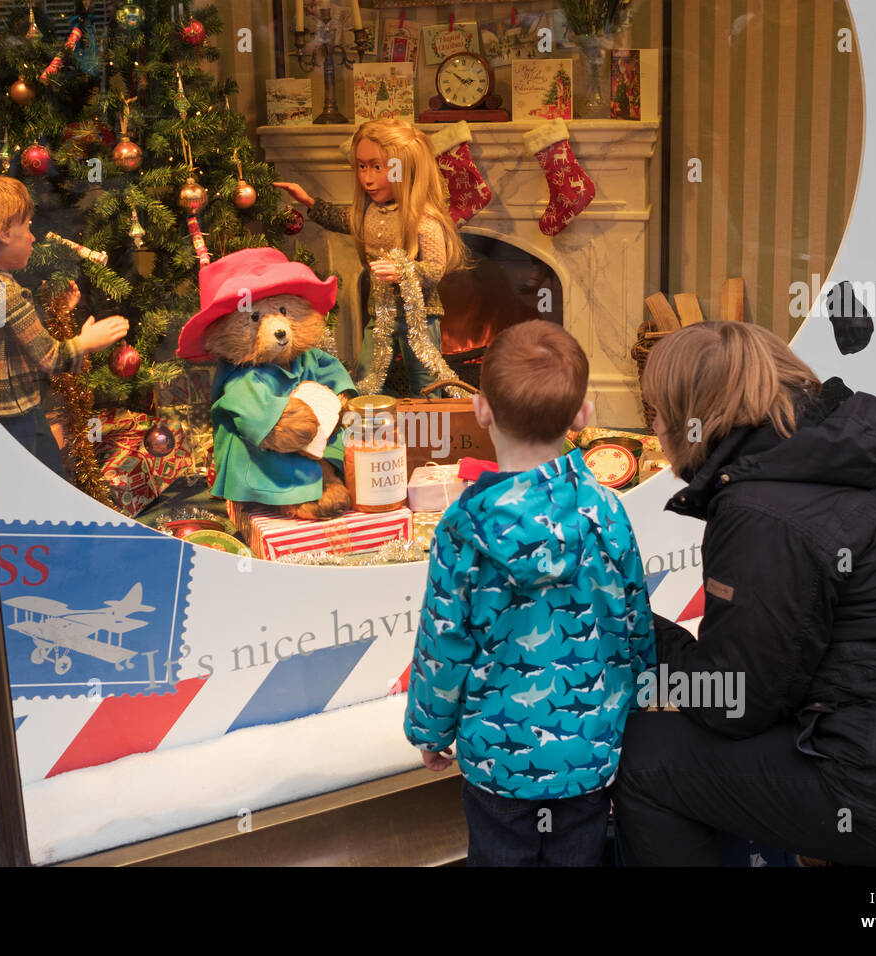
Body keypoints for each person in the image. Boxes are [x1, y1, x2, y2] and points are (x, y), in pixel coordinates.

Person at [612, 320, 876, 866]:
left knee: (647, 755)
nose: (652, 424)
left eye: (655, 410)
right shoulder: (872, 469)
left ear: (693, 416)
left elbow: (733, 703)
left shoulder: (761, 509)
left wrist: (633, 623)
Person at [403, 320, 656, 866]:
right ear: (583, 415)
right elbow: (635, 620)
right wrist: (643, 699)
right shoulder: (608, 511)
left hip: (499, 766)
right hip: (589, 753)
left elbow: (444, 641)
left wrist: (429, 728)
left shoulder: (462, 526)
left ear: (482, 409)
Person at [274, 118, 468, 397]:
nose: (367, 177)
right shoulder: (369, 212)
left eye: (378, 167)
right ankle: (366, 427)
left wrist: (403, 271)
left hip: (420, 316)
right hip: (381, 313)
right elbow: (344, 220)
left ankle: (427, 435)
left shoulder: (424, 220)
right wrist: (310, 203)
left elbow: (435, 269)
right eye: (362, 167)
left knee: (425, 379)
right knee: (367, 373)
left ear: (403, 169)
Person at [0, 175, 128, 476]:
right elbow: (49, 358)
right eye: (27, 226)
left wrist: (60, 313)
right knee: (43, 479)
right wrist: (88, 341)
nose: (33, 237)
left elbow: (12, 345)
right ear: (4, 234)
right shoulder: (7, 294)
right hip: (18, 418)